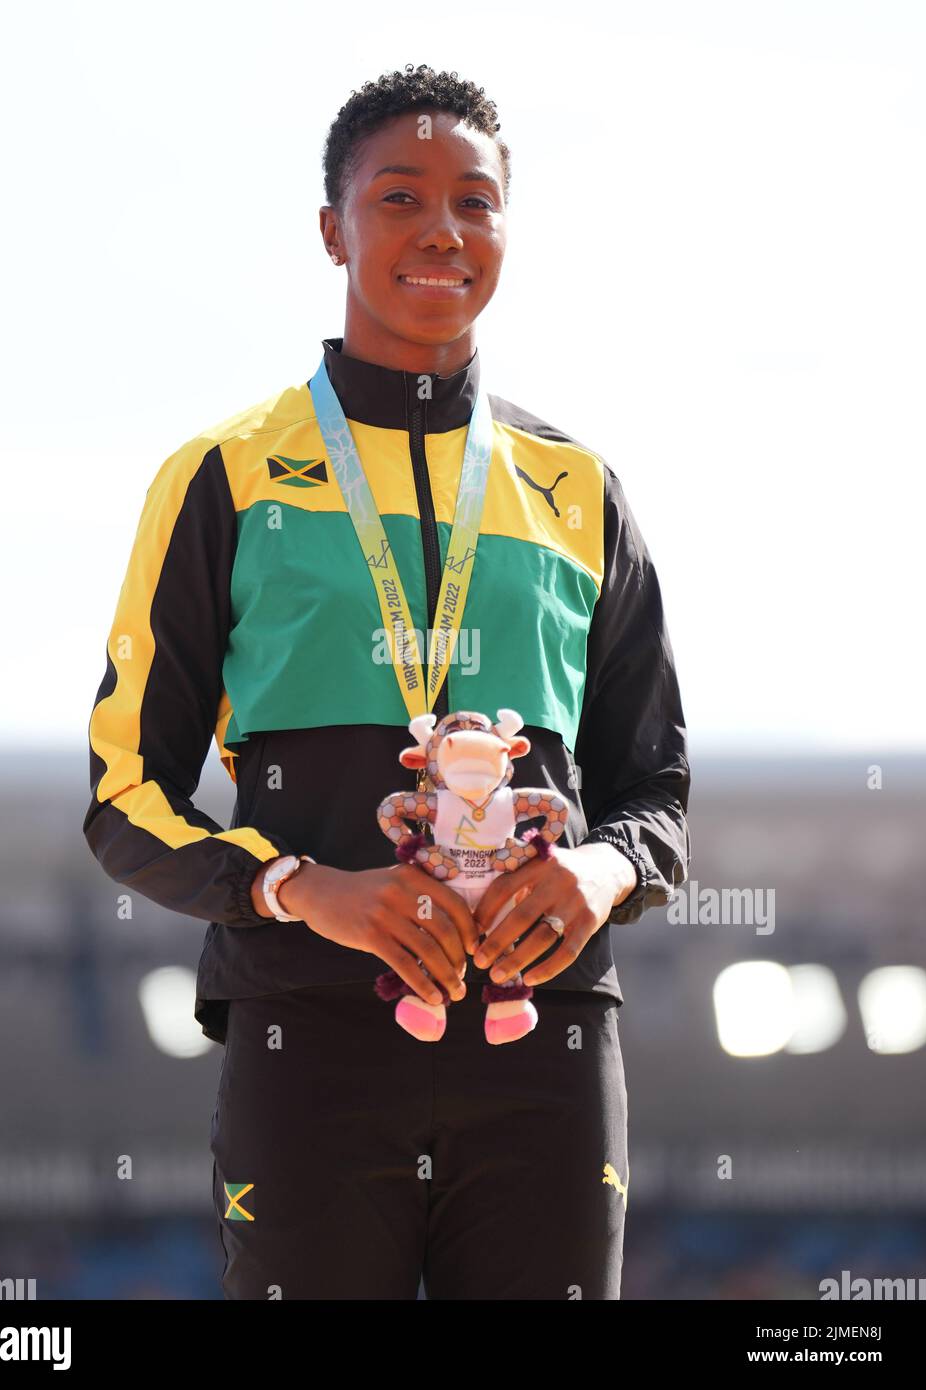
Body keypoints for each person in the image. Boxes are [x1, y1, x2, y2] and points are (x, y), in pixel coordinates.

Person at [83, 63, 691, 1300]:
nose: (442, 232)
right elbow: (124, 797)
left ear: (507, 231)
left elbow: (658, 794)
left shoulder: (581, 491)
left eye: (475, 202)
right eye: (400, 197)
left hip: (548, 1036)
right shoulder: (222, 476)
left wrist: (597, 867)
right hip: (311, 1031)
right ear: (332, 229)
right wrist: (305, 889)